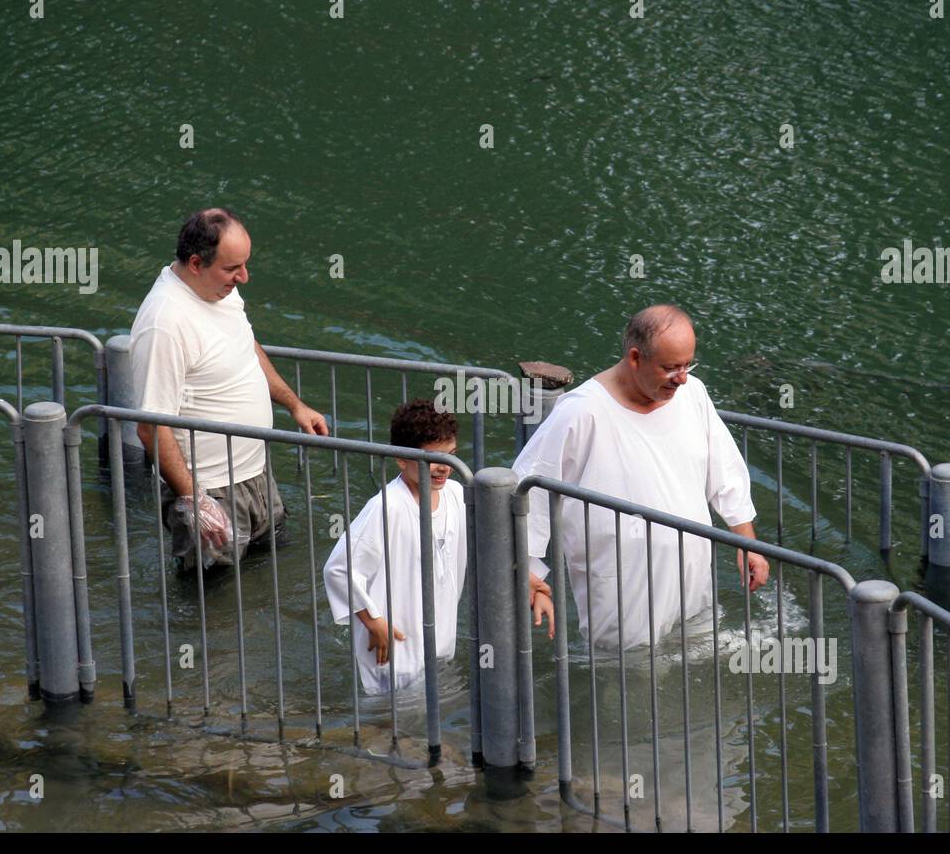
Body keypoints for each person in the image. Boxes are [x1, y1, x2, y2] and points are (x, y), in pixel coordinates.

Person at [512, 303, 770, 649]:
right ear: (635, 357)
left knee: (698, 660)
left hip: (691, 572)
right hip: (624, 585)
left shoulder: (692, 393)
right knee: (626, 681)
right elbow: (529, 488)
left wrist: (746, 542)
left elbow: (725, 470)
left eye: (687, 365)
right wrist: (530, 574)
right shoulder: (582, 411)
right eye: (670, 368)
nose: (681, 378)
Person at [130, 207, 329, 570]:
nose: (244, 276)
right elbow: (150, 426)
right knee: (215, 608)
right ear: (195, 263)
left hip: (257, 474)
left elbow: (245, 346)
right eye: (233, 268)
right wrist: (195, 502)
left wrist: (294, 404)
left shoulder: (220, 290)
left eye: (244, 265)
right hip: (211, 490)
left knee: (275, 570)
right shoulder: (165, 324)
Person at [322, 400, 554, 695]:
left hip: (440, 640)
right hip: (392, 644)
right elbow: (340, 569)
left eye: (451, 456)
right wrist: (373, 622)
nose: (444, 468)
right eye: (433, 458)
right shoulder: (388, 507)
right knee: (392, 716)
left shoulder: (457, 495)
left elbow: (491, 543)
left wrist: (531, 583)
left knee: (433, 708)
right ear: (401, 458)